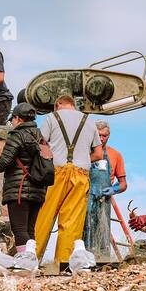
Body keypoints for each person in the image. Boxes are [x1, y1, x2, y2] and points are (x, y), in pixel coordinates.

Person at [33, 93, 103, 267]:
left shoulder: (51, 118)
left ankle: (32, 260)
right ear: (73, 105)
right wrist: (82, 160)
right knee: (71, 222)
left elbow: (39, 144)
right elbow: (99, 154)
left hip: (55, 173)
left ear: (57, 105)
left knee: (43, 217)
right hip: (81, 174)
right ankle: (63, 264)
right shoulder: (88, 120)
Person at [0, 100, 49, 246]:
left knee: (19, 229)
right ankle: (31, 262)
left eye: (13, 118)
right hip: (38, 190)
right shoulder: (41, 138)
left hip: (19, 189)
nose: (11, 121)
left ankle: (24, 263)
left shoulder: (17, 135)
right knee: (30, 230)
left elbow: (5, 161)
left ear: (18, 118)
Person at [95, 121, 127, 195]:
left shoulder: (116, 155)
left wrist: (114, 189)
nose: (101, 139)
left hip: (104, 200)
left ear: (108, 135)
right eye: (98, 135)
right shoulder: (84, 152)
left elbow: (123, 184)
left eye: (104, 136)